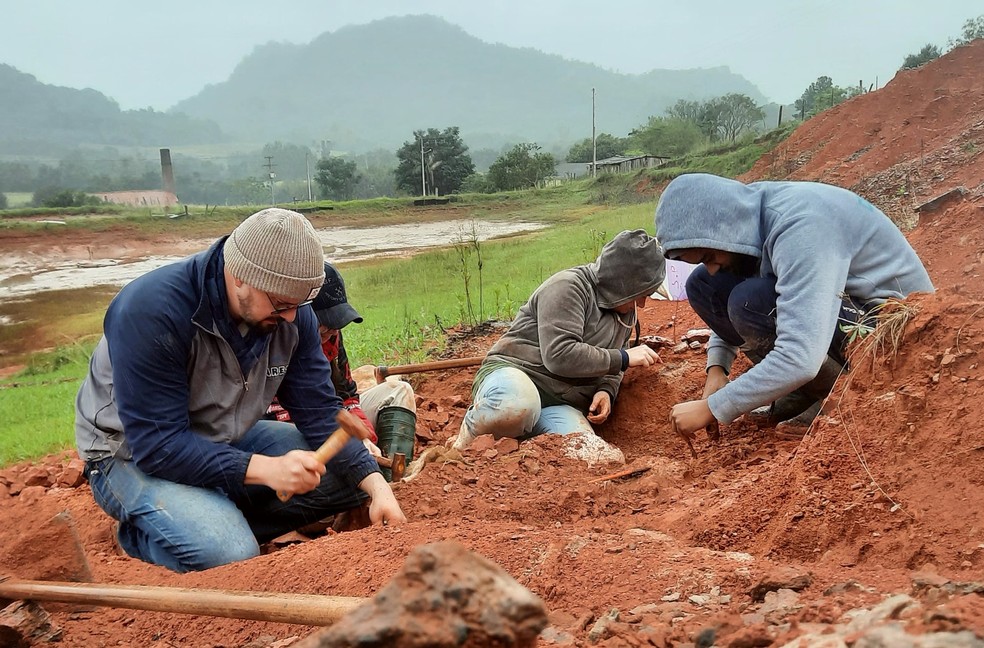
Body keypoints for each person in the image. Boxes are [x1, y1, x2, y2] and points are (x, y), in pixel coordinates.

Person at [74, 208, 406, 573]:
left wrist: (377, 487)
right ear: (240, 277)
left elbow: (318, 409)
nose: (291, 317)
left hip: (220, 436)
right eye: (281, 304)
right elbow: (158, 446)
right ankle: (150, 535)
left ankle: (210, 516)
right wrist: (265, 469)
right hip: (129, 454)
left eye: (299, 305)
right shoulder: (152, 311)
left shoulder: (291, 313)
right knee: (230, 553)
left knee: (352, 479)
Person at [654, 173, 934, 441]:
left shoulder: (800, 227)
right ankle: (805, 389)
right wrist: (717, 369)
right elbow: (726, 286)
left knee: (750, 301)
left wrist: (712, 407)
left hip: (892, 333)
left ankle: (840, 394)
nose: (712, 267)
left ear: (724, 229)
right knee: (704, 285)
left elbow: (800, 355)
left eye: (708, 256)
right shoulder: (748, 215)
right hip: (845, 304)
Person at [453, 229, 665, 449]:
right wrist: (623, 358)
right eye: (641, 294)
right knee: (515, 408)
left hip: (560, 402)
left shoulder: (625, 311)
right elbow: (559, 355)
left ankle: (515, 442)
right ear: (623, 284)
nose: (642, 304)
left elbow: (614, 365)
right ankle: (462, 445)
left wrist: (606, 390)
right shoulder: (568, 287)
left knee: (591, 454)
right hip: (517, 375)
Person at [265, 261, 417, 479]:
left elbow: (347, 396)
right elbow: (281, 414)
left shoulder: (332, 338)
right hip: (296, 430)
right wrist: (346, 439)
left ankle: (391, 478)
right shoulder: (276, 340)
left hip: (331, 418)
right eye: (325, 326)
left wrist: (364, 437)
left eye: (336, 326)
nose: (333, 332)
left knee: (399, 391)